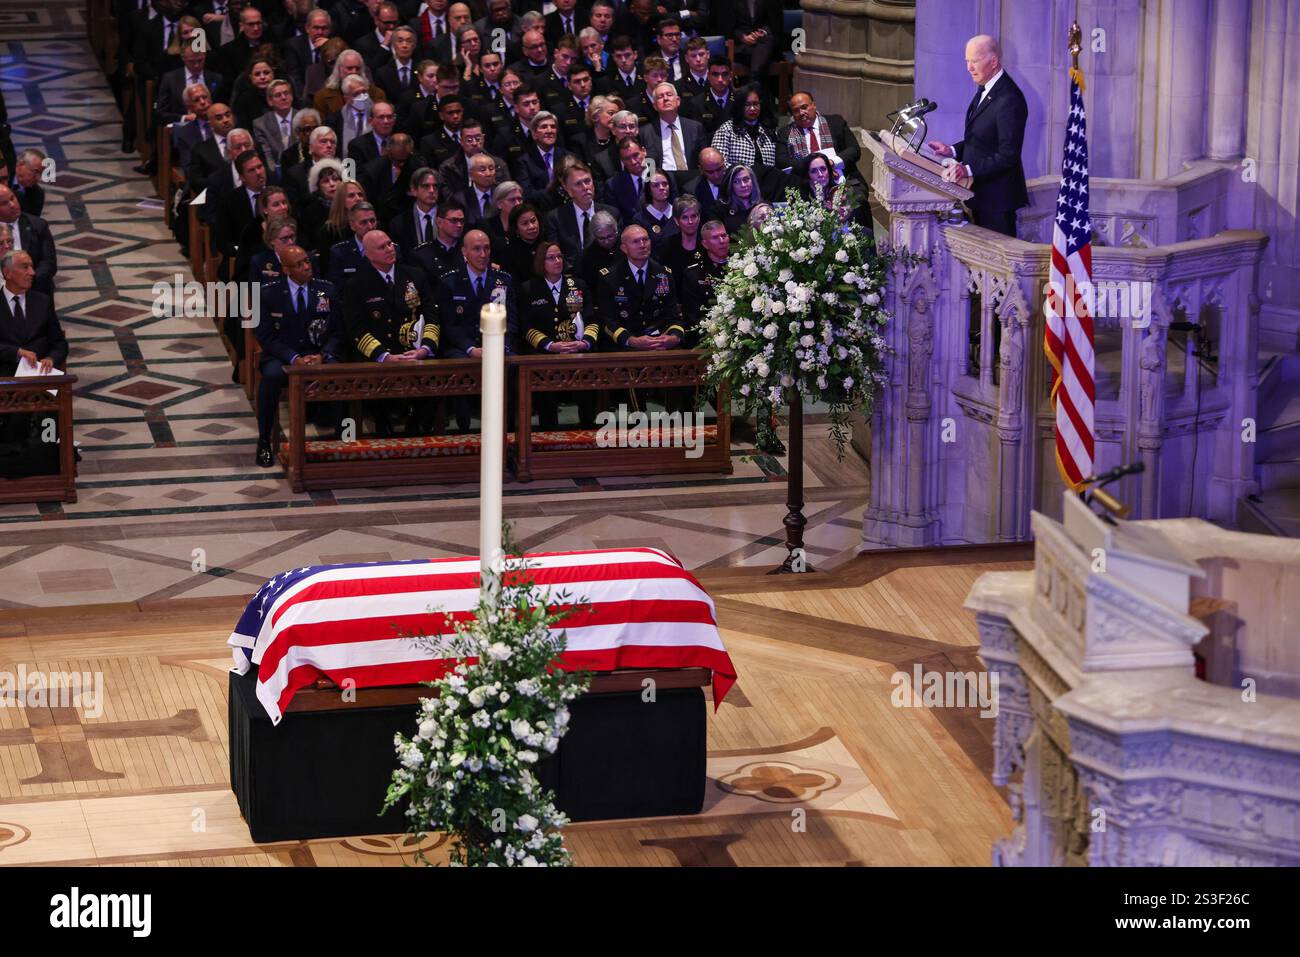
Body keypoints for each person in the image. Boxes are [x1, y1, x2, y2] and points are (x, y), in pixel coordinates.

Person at [924, 34, 1028, 237]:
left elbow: (1008, 155)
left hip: (997, 201)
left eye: (974, 61)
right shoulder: (987, 89)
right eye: (967, 61)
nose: (969, 68)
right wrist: (952, 150)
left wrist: (967, 169)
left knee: (996, 264)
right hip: (980, 195)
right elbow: (982, 140)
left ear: (993, 61)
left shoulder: (1009, 98)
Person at [252, 245, 344, 465]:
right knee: (271, 378)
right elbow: (265, 337)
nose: (306, 266)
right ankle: (264, 439)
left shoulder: (326, 290)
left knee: (342, 374)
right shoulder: (267, 293)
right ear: (285, 269)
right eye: (299, 264)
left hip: (319, 354)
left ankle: (345, 436)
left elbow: (340, 331)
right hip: (284, 356)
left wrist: (323, 354)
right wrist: (294, 358)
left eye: (307, 261)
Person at [522, 241, 597, 429]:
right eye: (551, 258)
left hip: (576, 348)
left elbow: (592, 320)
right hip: (546, 350)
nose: (557, 261)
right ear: (541, 262)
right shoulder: (529, 288)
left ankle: (588, 426)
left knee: (588, 365)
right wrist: (550, 345)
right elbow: (526, 326)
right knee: (539, 368)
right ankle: (549, 429)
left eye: (559, 257)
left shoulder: (577, 285)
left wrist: (585, 343)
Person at [0, 250, 67, 458]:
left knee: (56, 403)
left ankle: (51, 457)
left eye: (31, 266)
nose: (32, 272)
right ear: (7, 273)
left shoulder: (42, 301)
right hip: (4, 374)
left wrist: (51, 358)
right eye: (25, 267)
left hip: (39, 376)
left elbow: (59, 343)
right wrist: (16, 352)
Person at [596, 224, 684, 351]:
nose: (643, 245)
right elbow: (607, 320)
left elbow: (674, 314)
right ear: (624, 248)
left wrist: (674, 337)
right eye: (636, 241)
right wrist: (631, 340)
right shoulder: (610, 278)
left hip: (659, 343)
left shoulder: (664, 274)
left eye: (645, 239)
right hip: (626, 346)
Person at [776, 91, 863, 188]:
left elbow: (854, 150)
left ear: (814, 105)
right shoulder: (785, 133)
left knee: (858, 200)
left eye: (804, 107)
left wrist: (831, 163)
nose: (801, 113)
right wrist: (811, 167)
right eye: (796, 110)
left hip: (844, 179)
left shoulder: (836, 122)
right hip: (806, 184)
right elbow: (782, 162)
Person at [680, 220, 730, 347]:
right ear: (705, 244)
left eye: (724, 236)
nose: (722, 241)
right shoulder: (694, 274)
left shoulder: (743, 266)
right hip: (706, 340)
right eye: (715, 238)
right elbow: (693, 317)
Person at [0, 186, 56, 295]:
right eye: (4, 203)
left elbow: (48, 264)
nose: (12, 205)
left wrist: (25, 282)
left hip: (34, 289)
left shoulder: (38, 226)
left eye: (12, 198)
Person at [711, 83, 777, 173]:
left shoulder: (768, 129)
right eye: (747, 105)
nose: (752, 108)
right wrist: (742, 175)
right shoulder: (726, 130)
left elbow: (776, 162)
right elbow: (719, 163)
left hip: (767, 183)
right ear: (740, 106)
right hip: (738, 182)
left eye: (756, 104)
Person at [633, 170, 679, 253]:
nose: (661, 188)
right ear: (649, 190)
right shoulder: (639, 219)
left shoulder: (679, 213)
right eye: (656, 185)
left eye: (665, 184)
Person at [498, 201, 544, 279]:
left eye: (533, 221)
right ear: (516, 229)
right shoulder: (509, 253)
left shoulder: (547, 244)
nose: (531, 226)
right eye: (525, 223)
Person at [661, 194, 704, 276]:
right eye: (684, 217)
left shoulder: (707, 243)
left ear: (699, 218)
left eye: (694, 216)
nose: (690, 221)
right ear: (677, 221)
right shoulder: (668, 245)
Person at [720, 164, 762, 235]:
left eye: (746, 179)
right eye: (736, 181)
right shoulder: (720, 209)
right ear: (730, 185)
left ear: (752, 181)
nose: (743, 185)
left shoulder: (763, 206)